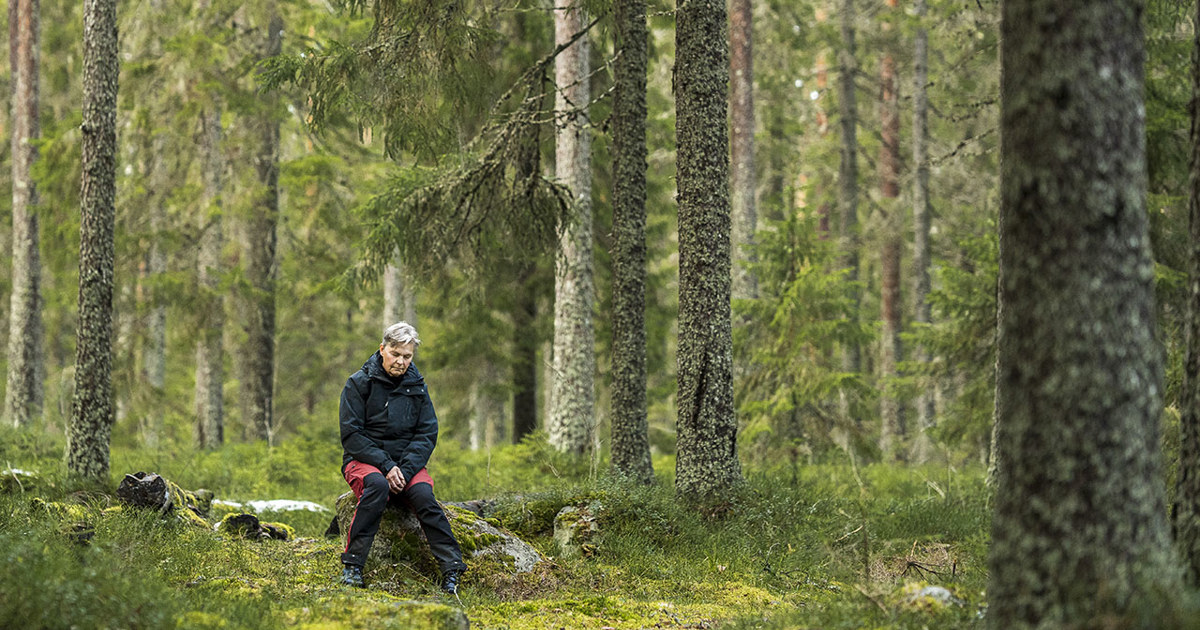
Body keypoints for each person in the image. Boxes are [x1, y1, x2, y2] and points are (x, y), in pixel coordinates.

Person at [338, 321, 467, 593]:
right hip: (364, 461)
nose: (401, 361)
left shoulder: (417, 386)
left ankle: (452, 569)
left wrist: (404, 471)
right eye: (396, 354)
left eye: (407, 356)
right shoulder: (358, 383)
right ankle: (352, 566)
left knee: (423, 496)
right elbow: (351, 434)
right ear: (382, 349)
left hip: (406, 465)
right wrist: (386, 466)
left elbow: (427, 433)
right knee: (377, 485)